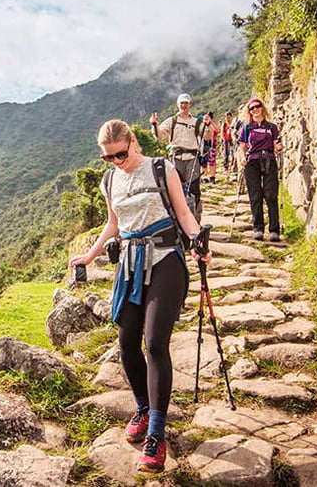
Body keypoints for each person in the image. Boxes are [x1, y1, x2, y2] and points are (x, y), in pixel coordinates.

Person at [69, 119, 211, 473]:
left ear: (133, 142)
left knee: (156, 342)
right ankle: (144, 409)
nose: (116, 161)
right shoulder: (110, 180)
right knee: (126, 342)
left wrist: (197, 241)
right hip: (130, 265)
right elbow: (113, 224)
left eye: (120, 153)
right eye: (108, 157)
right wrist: (90, 254)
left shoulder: (162, 169)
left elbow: (183, 214)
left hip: (165, 260)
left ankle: (157, 436)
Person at [149, 93, 203, 221]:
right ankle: (176, 219)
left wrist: (209, 125)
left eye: (186, 103)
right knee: (175, 189)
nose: (184, 105)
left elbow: (206, 135)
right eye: (181, 103)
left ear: (190, 104)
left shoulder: (196, 122)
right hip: (176, 158)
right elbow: (160, 135)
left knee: (194, 188)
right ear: (178, 105)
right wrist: (154, 125)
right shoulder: (171, 121)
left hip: (192, 158)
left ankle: (195, 218)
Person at [237, 98, 283, 242]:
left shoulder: (272, 127)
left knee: (271, 195)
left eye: (257, 107)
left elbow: (276, 143)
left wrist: (278, 147)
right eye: (252, 108)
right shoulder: (246, 128)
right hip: (252, 162)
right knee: (255, 196)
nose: (255, 110)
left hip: (269, 160)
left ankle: (274, 230)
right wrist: (242, 158)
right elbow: (242, 146)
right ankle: (258, 229)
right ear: (249, 111)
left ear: (262, 108)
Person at [200, 112, 218, 184]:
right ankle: (204, 177)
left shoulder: (212, 125)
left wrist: (211, 122)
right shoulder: (201, 126)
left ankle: (212, 177)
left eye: (207, 118)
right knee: (203, 162)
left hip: (211, 145)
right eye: (204, 118)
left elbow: (218, 130)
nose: (206, 119)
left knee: (212, 162)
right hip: (203, 145)